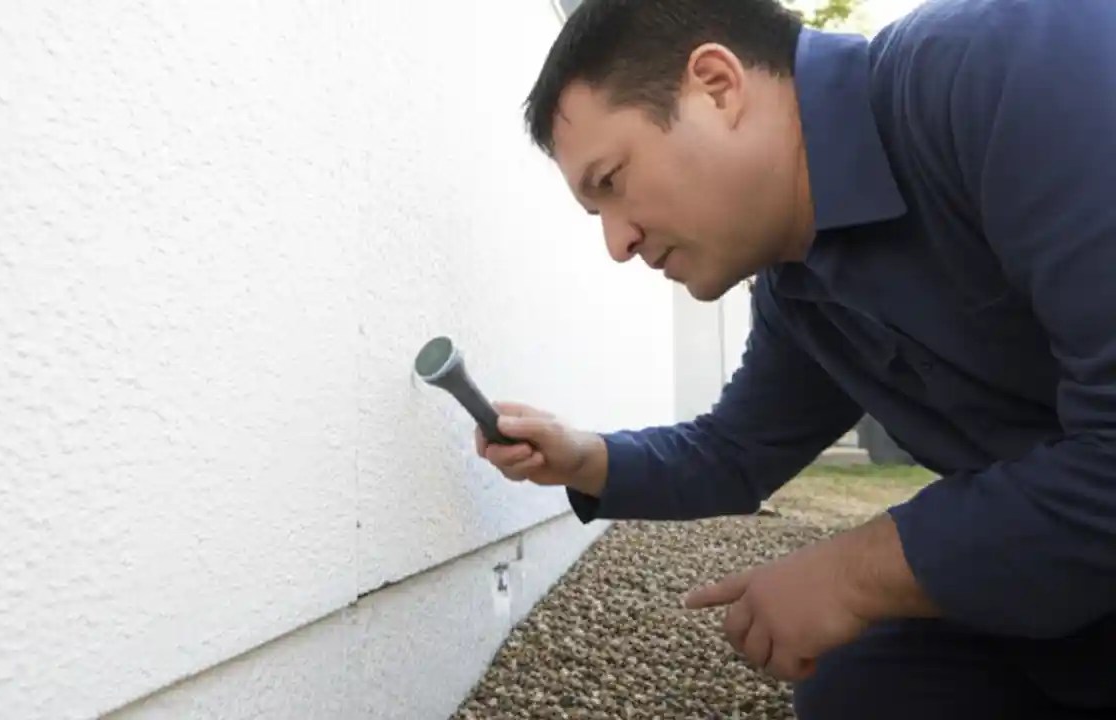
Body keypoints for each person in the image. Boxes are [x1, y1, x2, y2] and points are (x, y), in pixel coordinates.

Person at [473, 0, 1116, 717]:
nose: (617, 243)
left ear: (717, 86)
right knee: (864, 685)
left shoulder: (1012, 65)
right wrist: (586, 458)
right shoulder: (800, 285)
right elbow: (736, 451)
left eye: (613, 182)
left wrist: (861, 571)